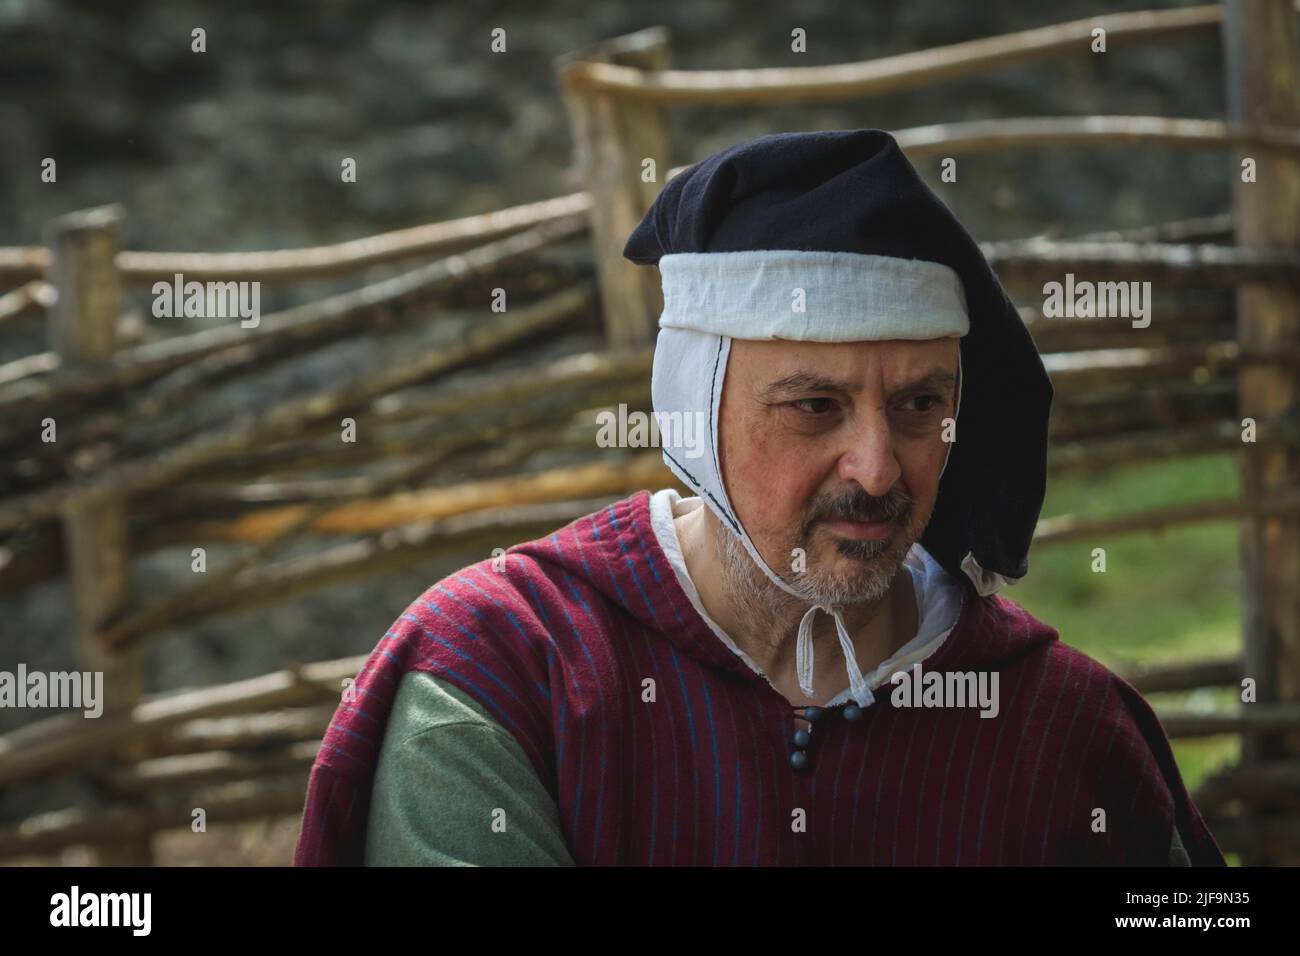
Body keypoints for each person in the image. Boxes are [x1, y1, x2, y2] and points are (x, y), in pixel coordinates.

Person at [294, 128, 1224, 866]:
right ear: (694, 412)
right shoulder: (502, 675)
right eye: (814, 406)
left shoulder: (1061, 730)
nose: (878, 467)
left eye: (919, 406)